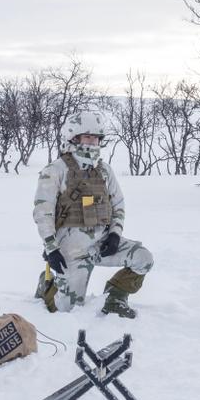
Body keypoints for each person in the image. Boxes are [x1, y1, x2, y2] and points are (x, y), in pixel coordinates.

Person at [33, 111, 154, 317]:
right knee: (67, 311)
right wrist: (52, 248)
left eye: (97, 138)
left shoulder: (104, 170)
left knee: (143, 258)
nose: (93, 142)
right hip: (71, 249)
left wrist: (114, 234)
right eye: (88, 137)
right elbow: (42, 212)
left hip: (101, 243)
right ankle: (47, 287)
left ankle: (114, 298)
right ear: (74, 137)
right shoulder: (55, 170)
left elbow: (118, 204)